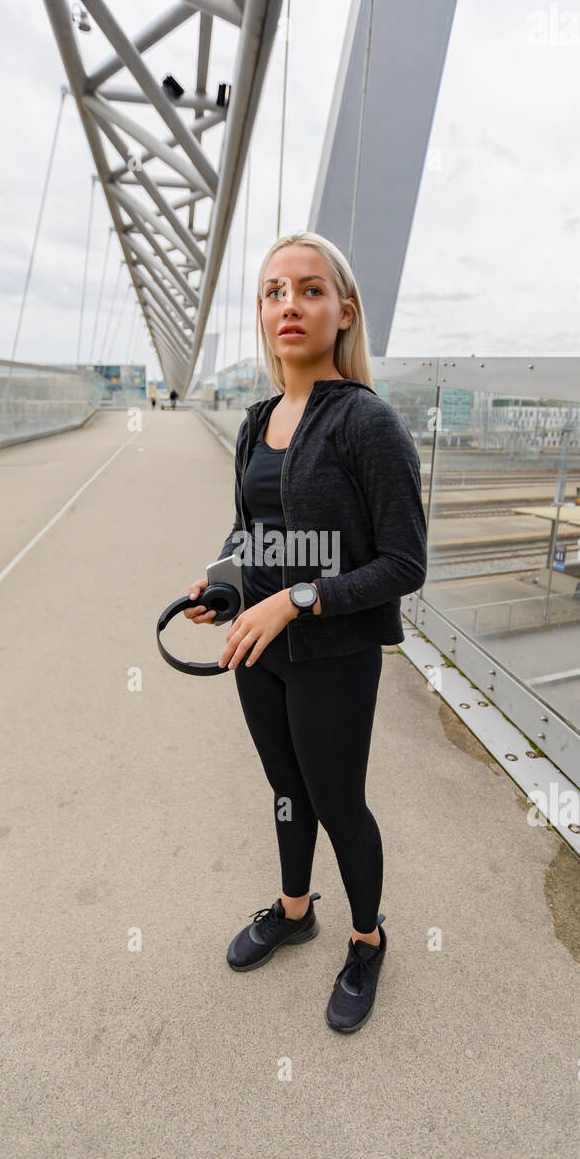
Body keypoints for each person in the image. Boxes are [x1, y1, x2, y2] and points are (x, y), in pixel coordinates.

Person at [183, 231, 427, 1033]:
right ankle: (296, 911)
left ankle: (367, 937)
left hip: (333, 654)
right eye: (274, 291)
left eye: (311, 290)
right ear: (262, 314)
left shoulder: (367, 424)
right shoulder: (258, 422)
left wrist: (298, 599)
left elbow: (403, 565)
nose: (290, 303)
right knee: (287, 792)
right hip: (258, 651)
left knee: (338, 803)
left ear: (345, 313)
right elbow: (253, 530)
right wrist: (222, 586)